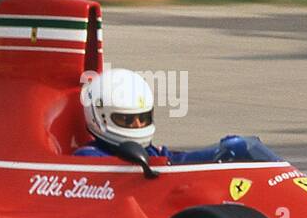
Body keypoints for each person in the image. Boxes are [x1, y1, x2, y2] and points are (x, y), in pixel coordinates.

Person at [74, 68, 259, 164]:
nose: (138, 125)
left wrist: (221, 151)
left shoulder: (151, 152)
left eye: (143, 117)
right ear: (99, 117)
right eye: (127, 120)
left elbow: (179, 161)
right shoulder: (88, 157)